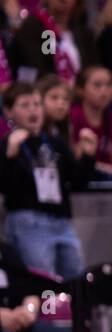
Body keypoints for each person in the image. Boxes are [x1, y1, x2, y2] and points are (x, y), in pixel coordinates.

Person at [1, 82, 97, 279]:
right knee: (43, 282)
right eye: (25, 105)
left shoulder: (54, 143)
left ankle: (77, 311)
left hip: (61, 221)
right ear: (9, 111)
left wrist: (88, 156)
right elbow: (4, 186)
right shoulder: (7, 145)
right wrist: (10, 155)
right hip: (28, 221)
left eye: (36, 104)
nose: (33, 111)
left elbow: (77, 181)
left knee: (76, 278)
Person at [7, 0, 97, 81]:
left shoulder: (83, 34)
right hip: (48, 92)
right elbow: (41, 67)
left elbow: (93, 69)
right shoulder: (39, 27)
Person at [68, 65, 112, 179]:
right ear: (80, 90)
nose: (104, 90)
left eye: (108, 85)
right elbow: (78, 160)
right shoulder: (73, 116)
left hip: (108, 182)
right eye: (97, 85)